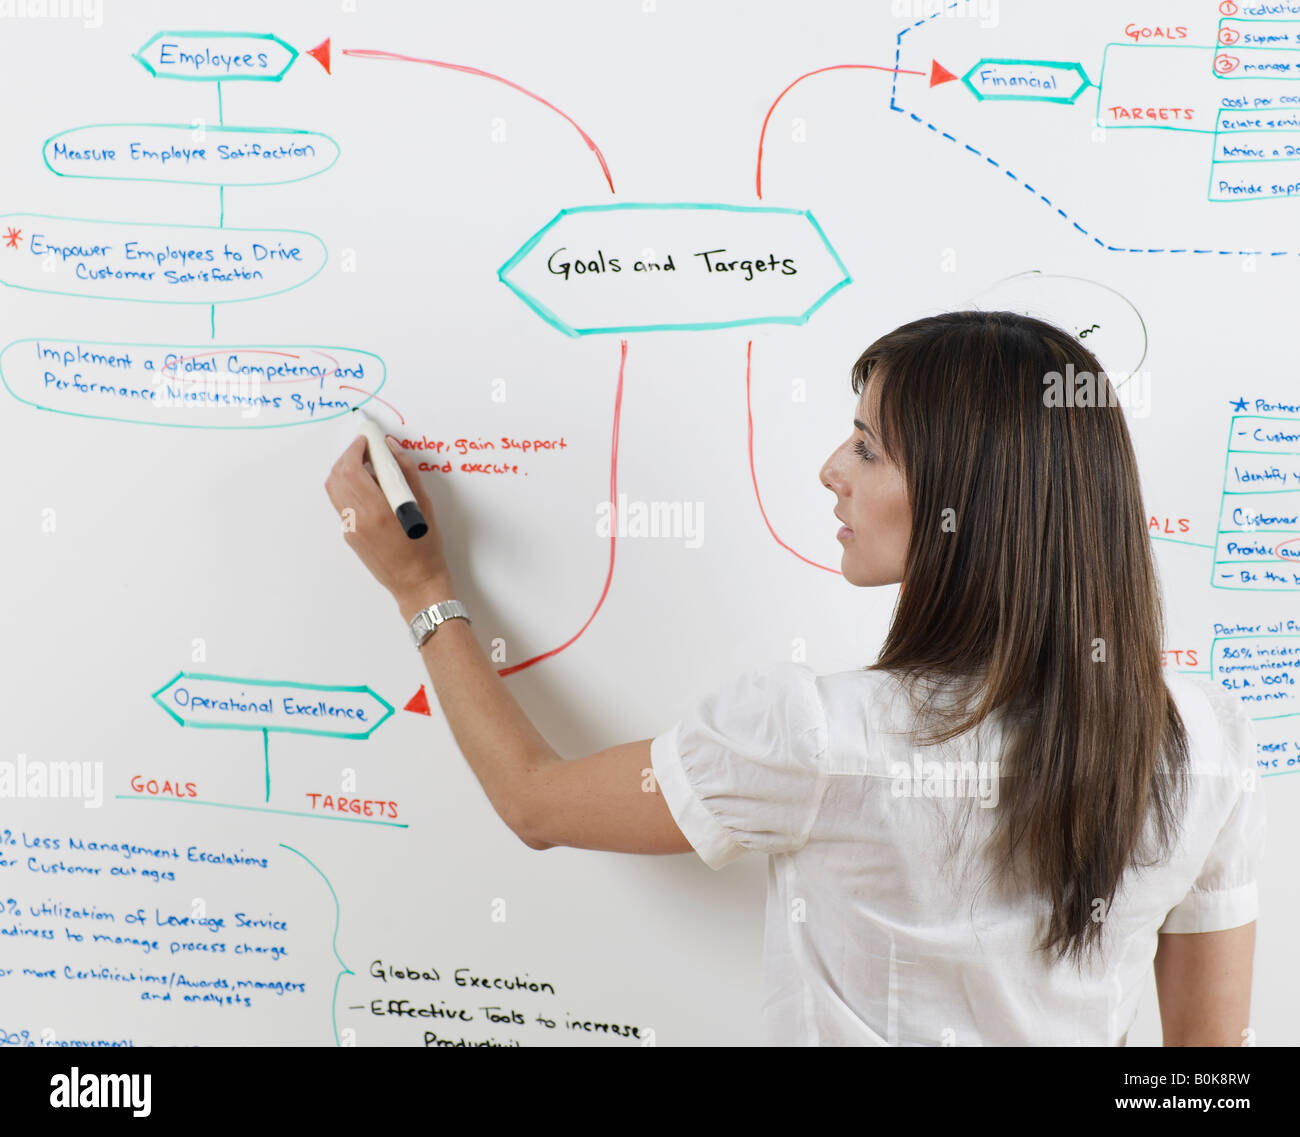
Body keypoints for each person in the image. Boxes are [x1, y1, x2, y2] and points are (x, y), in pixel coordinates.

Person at [324, 310, 1264, 1046]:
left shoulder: (814, 735)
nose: (830, 470)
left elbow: (535, 804)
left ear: (961, 501)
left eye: (867, 446)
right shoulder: (1204, 739)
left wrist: (424, 589)